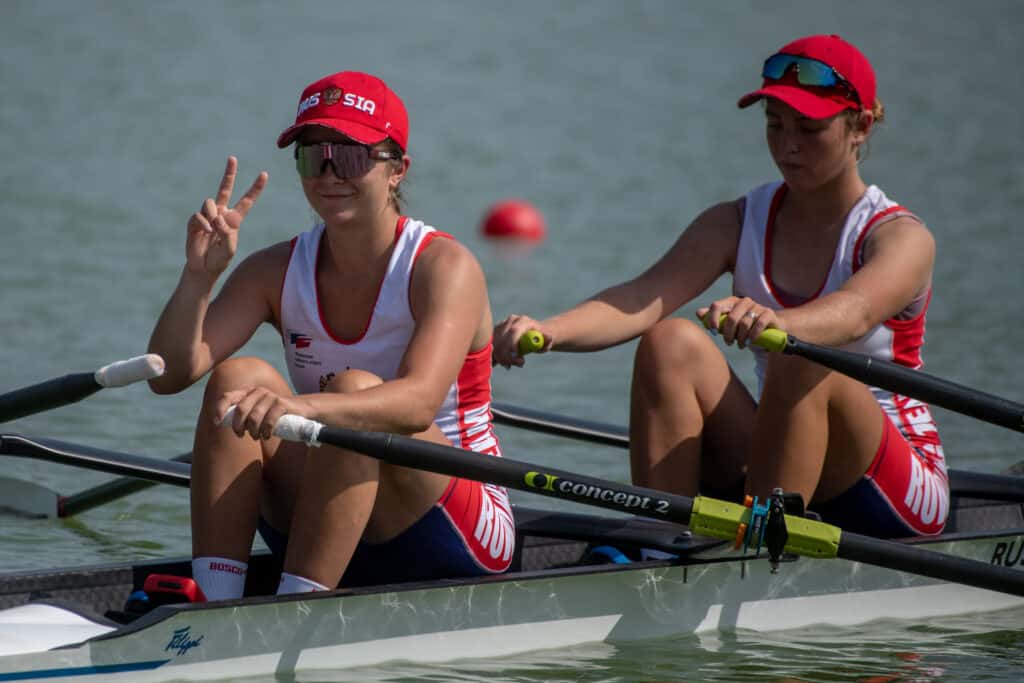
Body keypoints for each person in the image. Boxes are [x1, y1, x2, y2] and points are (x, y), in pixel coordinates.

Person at [493, 34, 949, 539]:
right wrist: (547, 330)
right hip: (783, 459)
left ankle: (755, 552)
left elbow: (854, 314)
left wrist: (779, 323)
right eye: (774, 125)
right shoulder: (737, 221)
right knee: (670, 341)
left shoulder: (900, 237)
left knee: (802, 352)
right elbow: (640, 299)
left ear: (860, 126)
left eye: (809, 129)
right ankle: (659, 543)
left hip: (895, 483)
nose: (787, 145)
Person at [149, 70, 514, 600]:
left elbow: (415, 405)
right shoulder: (272, 269)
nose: (327, 173)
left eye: (349, 155)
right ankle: (213, 605)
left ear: (396, 170)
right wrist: (198, 278)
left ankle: (297, 606)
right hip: (332, 507)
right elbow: (168, 375)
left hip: (456, 520)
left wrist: (309, 409)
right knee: (237, 378)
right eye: (311, 155)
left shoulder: (444, 267)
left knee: (353, 394)